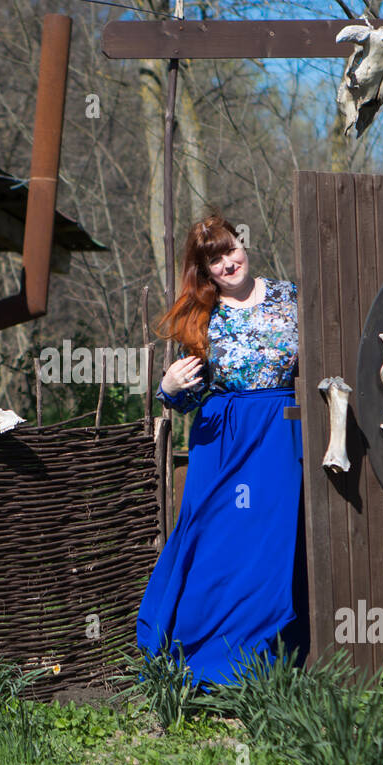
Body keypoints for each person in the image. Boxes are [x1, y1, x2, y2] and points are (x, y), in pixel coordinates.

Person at [137, 213, 309, 689]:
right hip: (223, 440)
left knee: (271, 548)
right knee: (214, 543)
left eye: (230, 249)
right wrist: (169, 387)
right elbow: (189, 393)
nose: (227, 262)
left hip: (281, 434)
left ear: (243, 245)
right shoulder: (202, 315)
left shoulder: (292, 297)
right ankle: (199, 652)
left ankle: (264, 657)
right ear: (205, 269)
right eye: (214, 259)